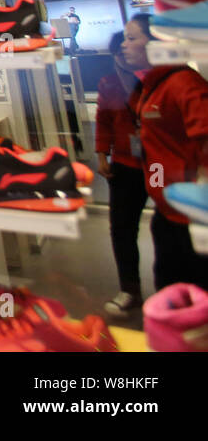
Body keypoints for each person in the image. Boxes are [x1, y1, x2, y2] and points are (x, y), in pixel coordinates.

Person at [119, 14, 208, 291]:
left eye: (132, 38)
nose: (123, 45)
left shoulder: (183, 83)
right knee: (170, 291)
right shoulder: (151, 85)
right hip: (168, 213)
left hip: (190, 218)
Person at [95, 31, 146, 318]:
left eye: (127, 47)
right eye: (118, 51)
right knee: (122, 229)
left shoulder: (152, 80)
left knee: (170, 227)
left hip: (158, 165)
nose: (122, 55)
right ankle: (130, 289)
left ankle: (178, 288)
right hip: (125, 165)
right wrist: (102, 154)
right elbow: (103, 119)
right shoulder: (109, 83)